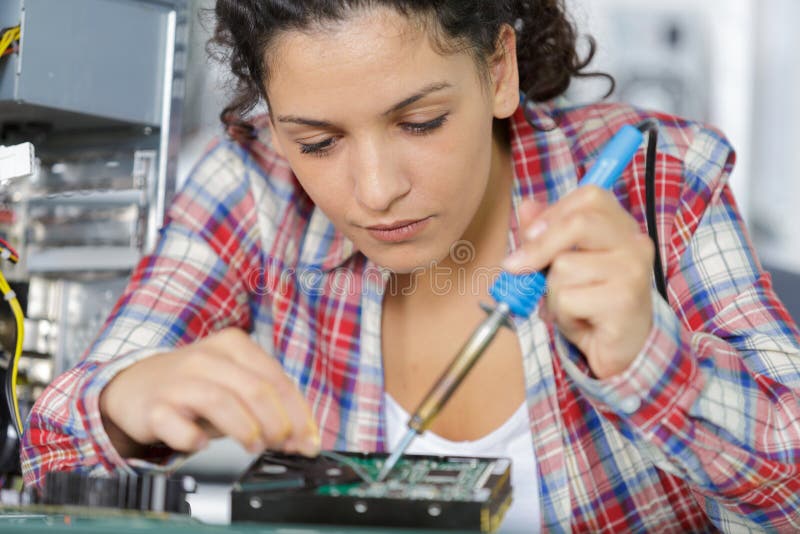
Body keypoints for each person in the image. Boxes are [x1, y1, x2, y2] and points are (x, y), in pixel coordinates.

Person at [20, 1, 800, 531]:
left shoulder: (659, 176)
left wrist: (651, 361)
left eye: (420, 121)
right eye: (318, 142)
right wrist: (123, 402)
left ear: (498, 69)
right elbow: (49, 447)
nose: (377, 190)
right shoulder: (256, 185)